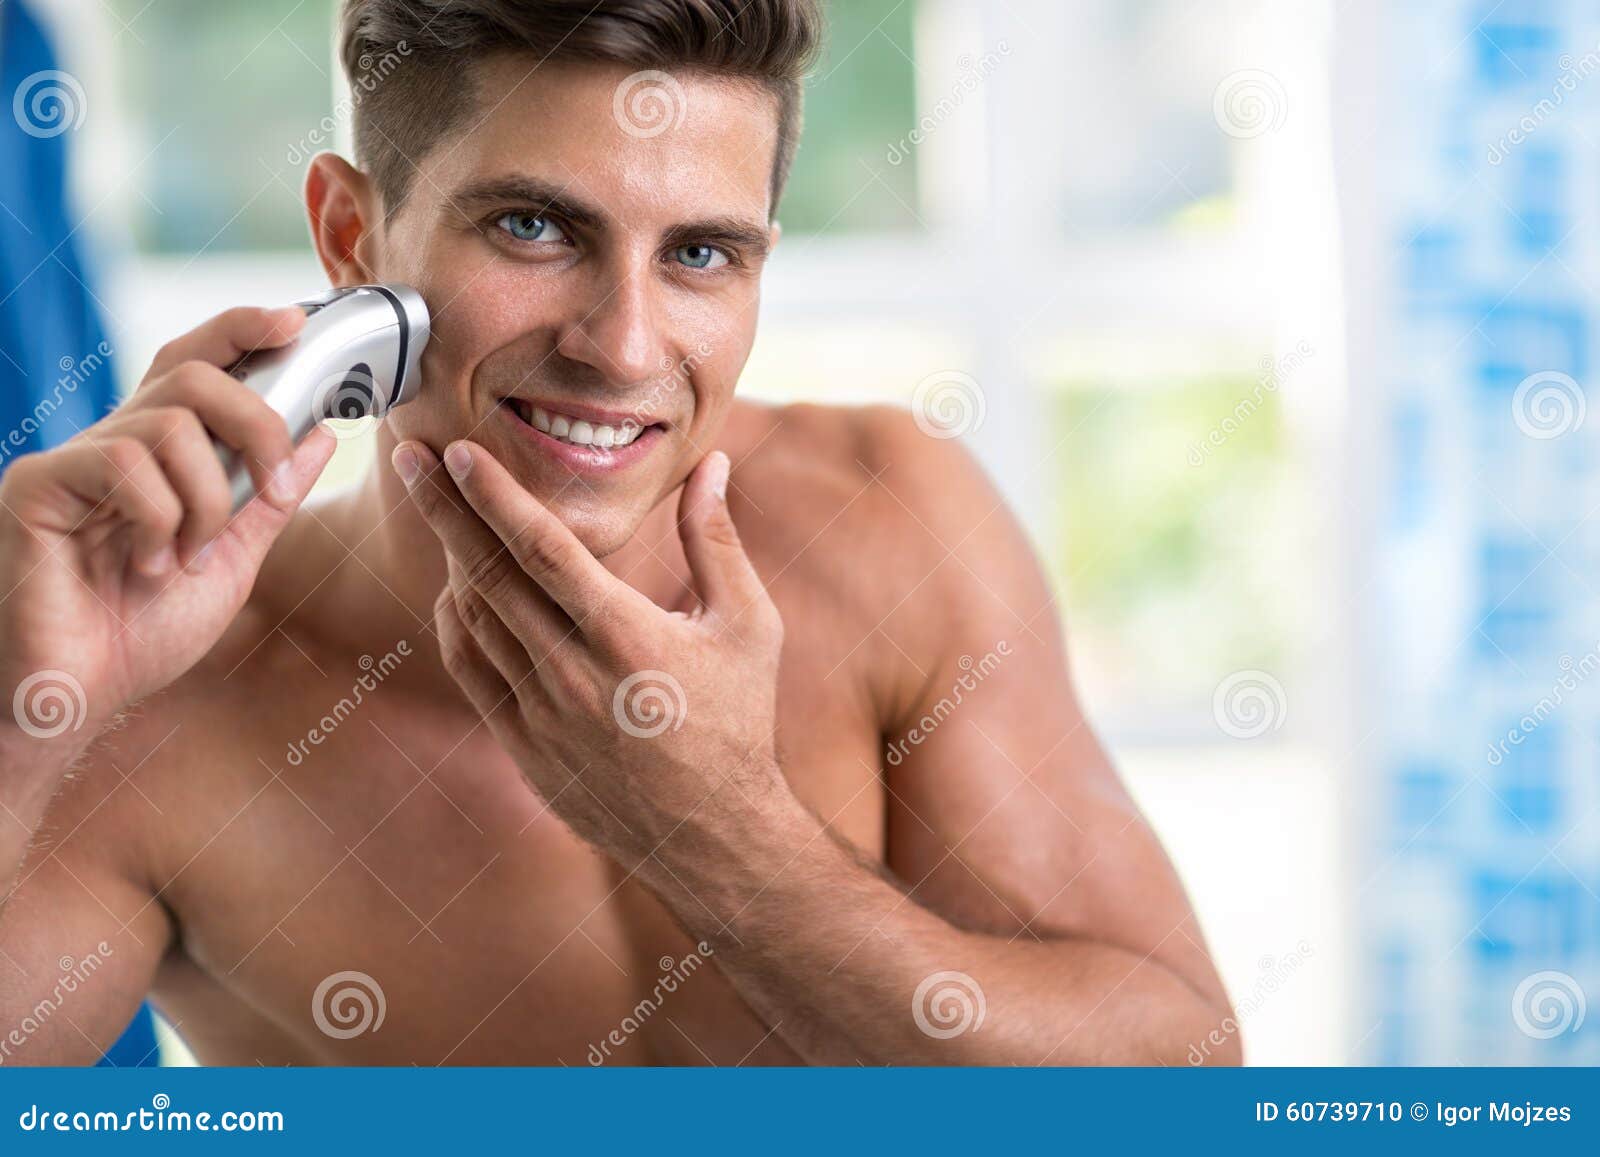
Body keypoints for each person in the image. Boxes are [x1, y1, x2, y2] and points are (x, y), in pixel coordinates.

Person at [0, 0, 1238, 1066]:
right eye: (535, 227)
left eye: (700, 252)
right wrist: (21, 717)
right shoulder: (161, 695)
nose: (625, 347)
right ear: (351, 239)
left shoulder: (889, 516)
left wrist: (723, 835)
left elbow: (1184, 1086)